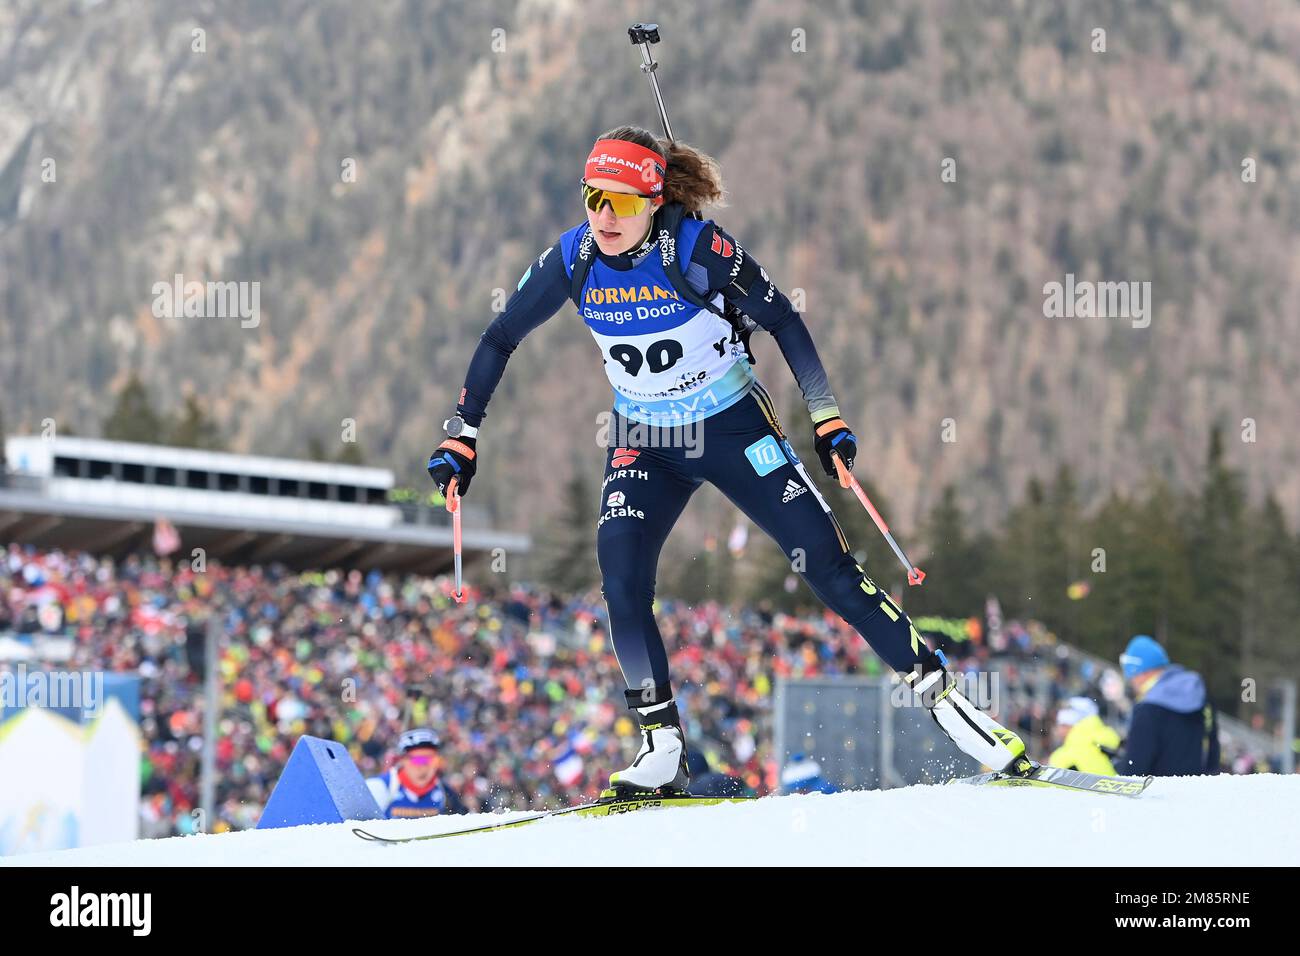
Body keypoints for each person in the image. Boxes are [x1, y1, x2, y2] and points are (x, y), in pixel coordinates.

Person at [427, 126, 1028, 795]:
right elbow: (500, 335)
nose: (604, 217)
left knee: (828, 571)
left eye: (622, 204)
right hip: (645, 440)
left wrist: (826, 416)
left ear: (654, 202)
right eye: (594, 198)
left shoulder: (697, 249)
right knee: (621, 578)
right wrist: (463, 433)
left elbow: (785, 321)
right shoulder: (572, 261)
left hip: (731, 428)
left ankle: (949, 703)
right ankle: (662, 745)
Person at [1116, 635, 1220, 776]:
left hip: (1161, 793)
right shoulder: (1199, 693)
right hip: (1199, 789)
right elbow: (1211, 749)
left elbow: (1134, 768)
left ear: (1139, 671)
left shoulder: (1148, 708)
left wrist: (1117, 766)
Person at [365, 729, 468, 818]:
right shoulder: (380, 787)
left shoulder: (445, 793)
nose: (424, 766)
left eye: (432, 760)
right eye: (419, 760)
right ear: (403, 760)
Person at [1047, 696, 1120, 774]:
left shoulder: (1064, 753)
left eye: (1062, 725)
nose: (1058, 730)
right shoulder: (1106, 734)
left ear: (1069, 725)